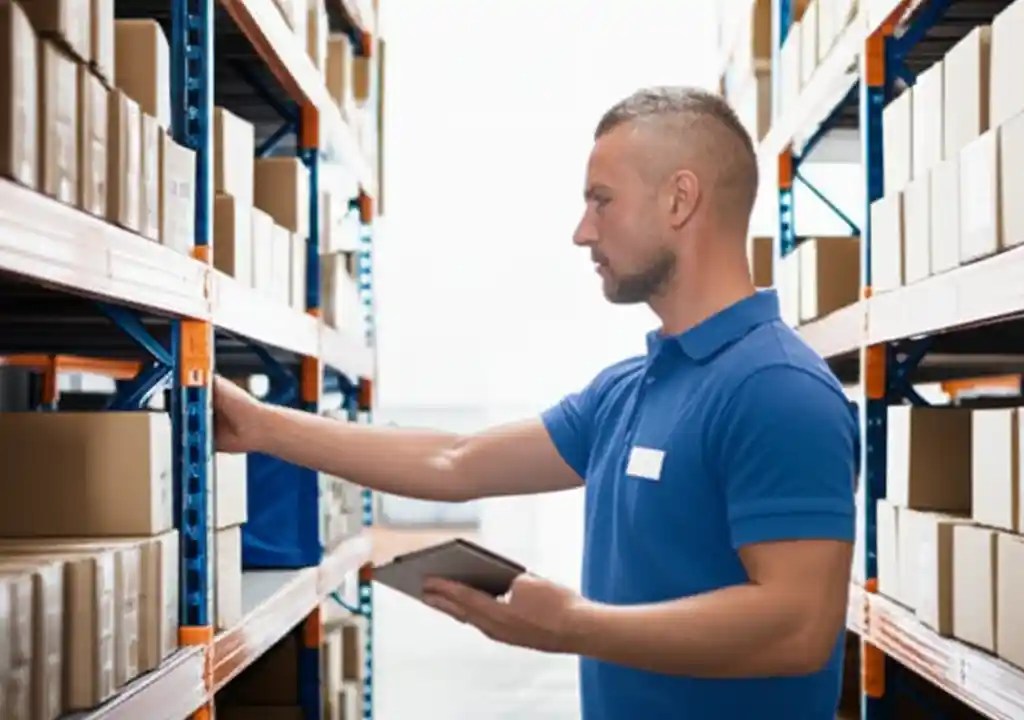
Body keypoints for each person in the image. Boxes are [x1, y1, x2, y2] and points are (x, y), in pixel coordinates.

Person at [213, 86, 859, 719]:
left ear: (679, 199)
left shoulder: (777, 389)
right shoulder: (629, 389)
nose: (582, 232)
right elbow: (455, 461)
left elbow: (799, 627)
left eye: (601, 201)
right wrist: (262, 426)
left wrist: (576, 625)